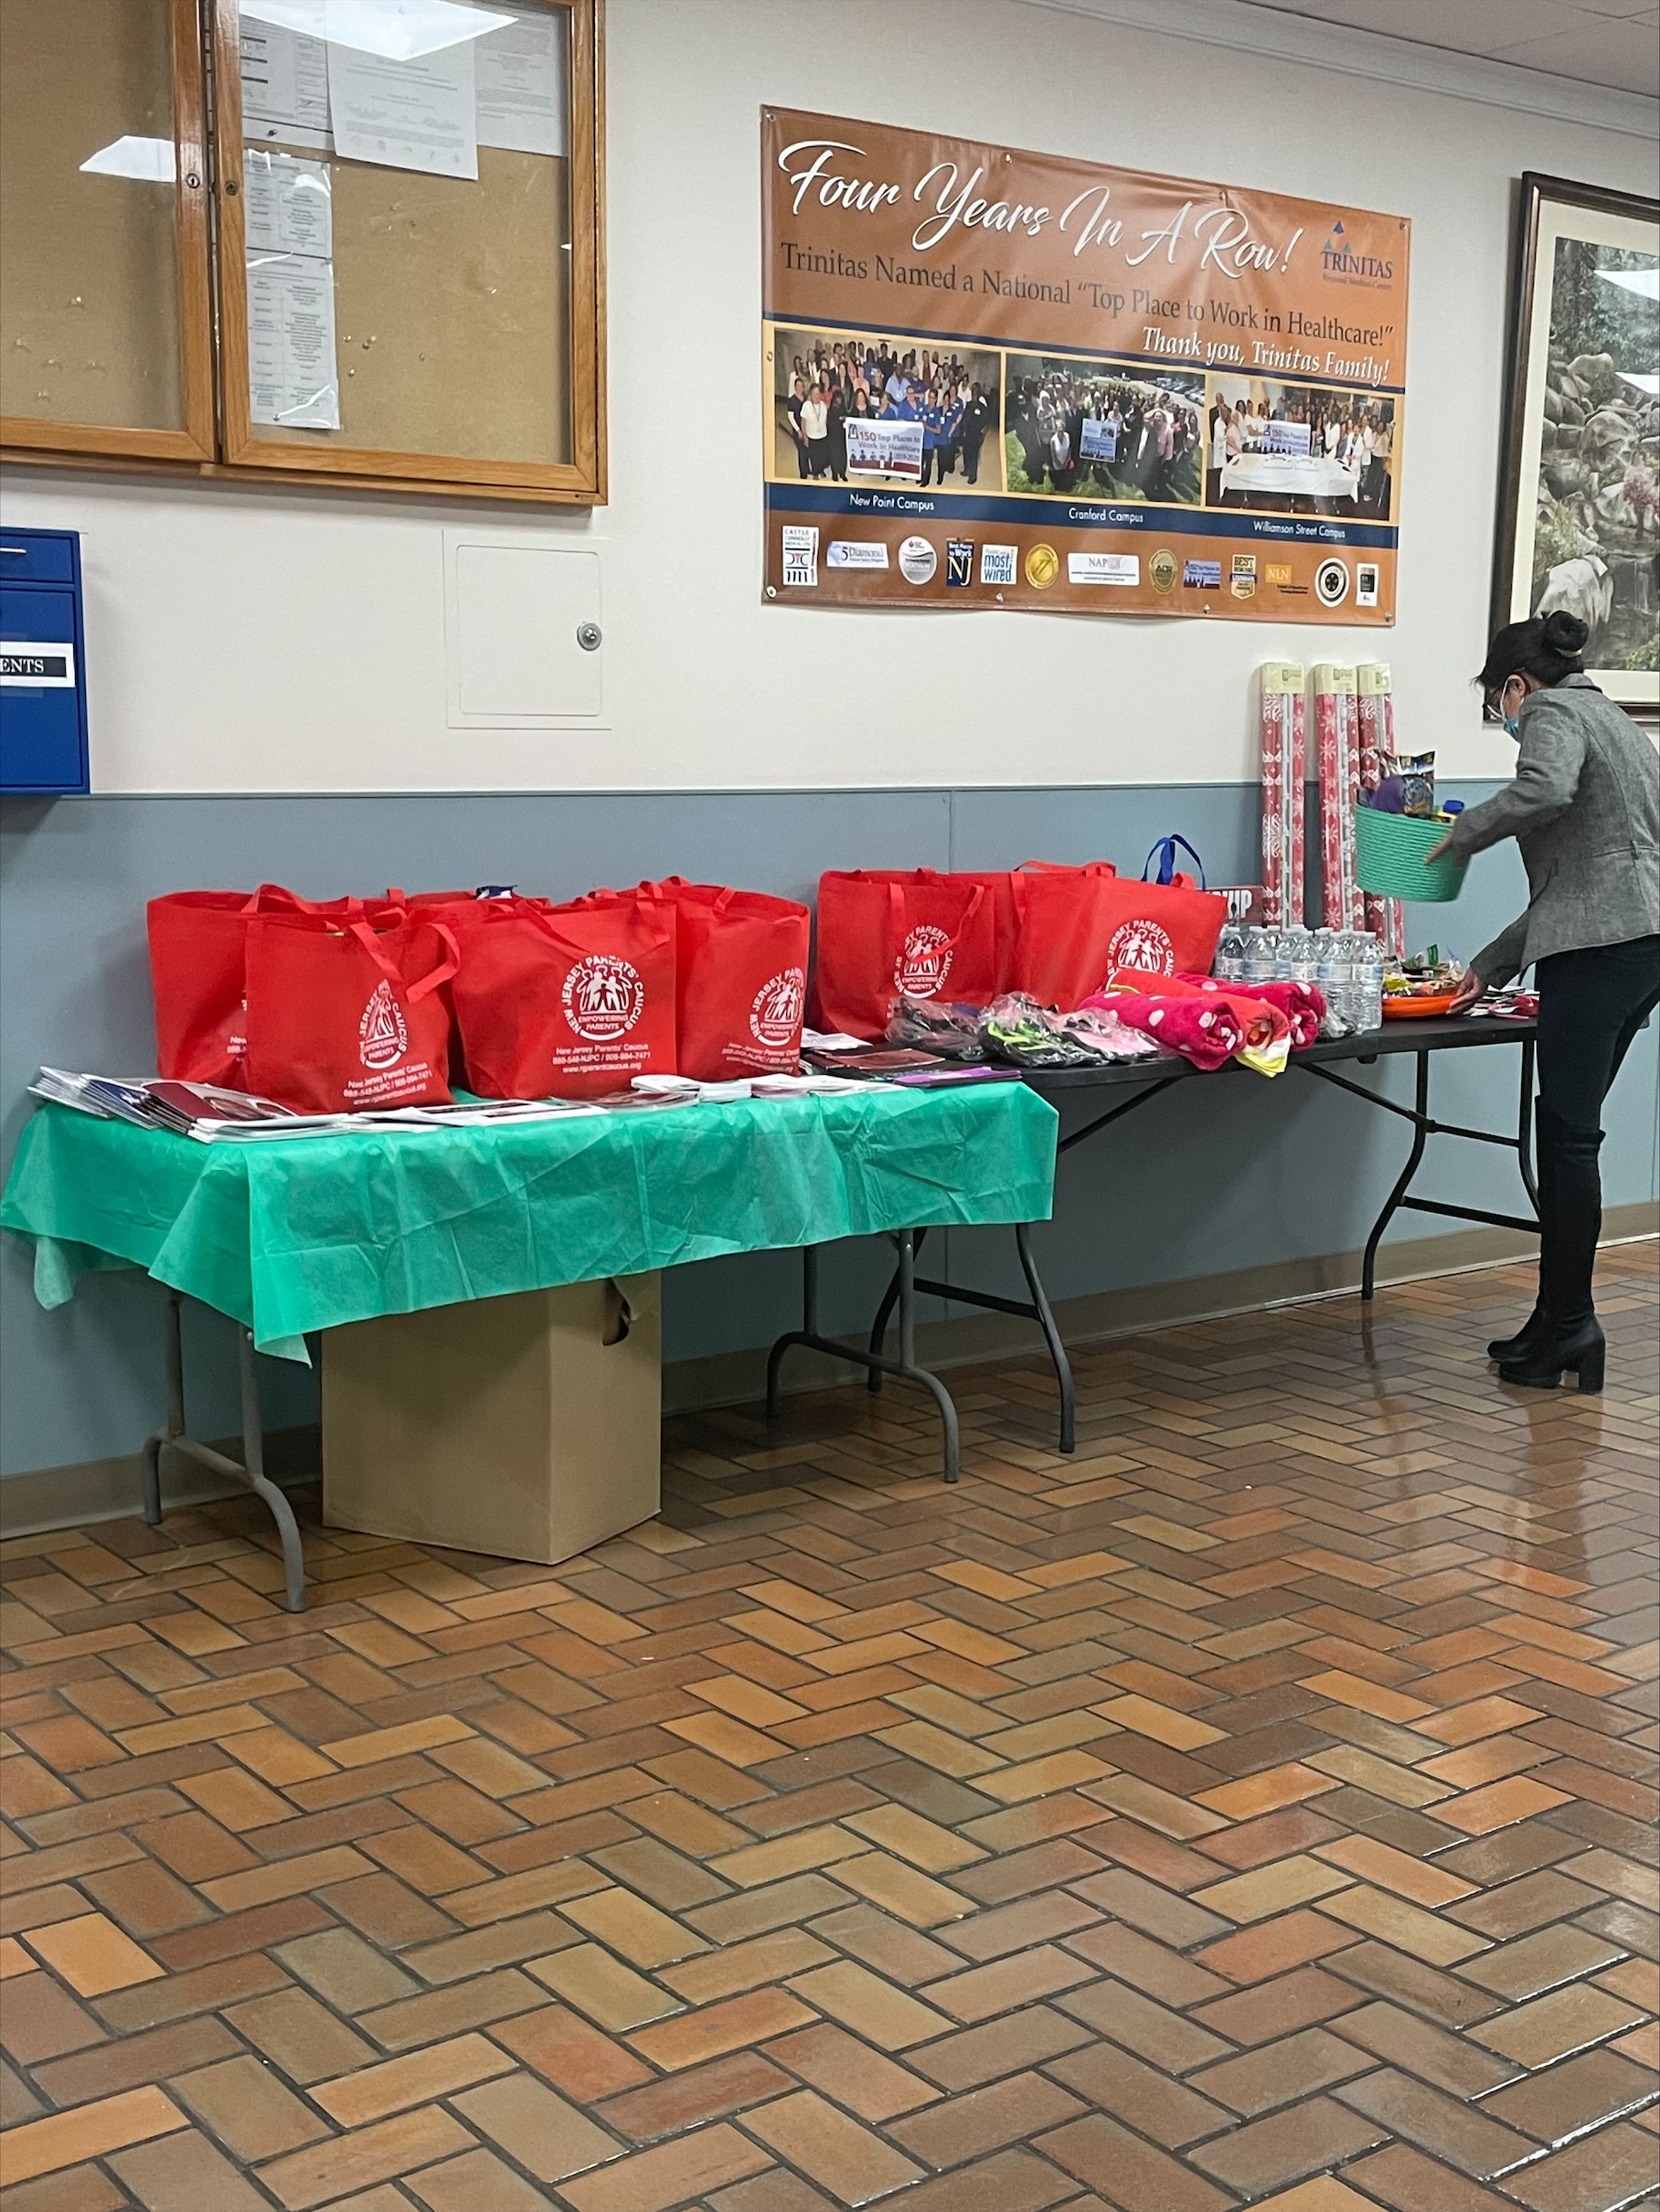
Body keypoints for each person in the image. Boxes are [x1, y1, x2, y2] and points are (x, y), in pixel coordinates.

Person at [1430, 611, 1660, 1392]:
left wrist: (1463, 833)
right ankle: (1555, 1320)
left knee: (1567, 1141)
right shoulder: (1620, 724)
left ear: (1517, 687)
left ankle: (1570, 1330)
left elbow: (1545, 786)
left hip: (1601, 956)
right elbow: (1588, 886)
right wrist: (1492, 965)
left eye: (1501, 702)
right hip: (1638, 945)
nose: (1505, 717)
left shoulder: (1555, 713)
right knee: (1566, 1131)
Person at [957, 381, 989, 484]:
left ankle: (973, 476)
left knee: (974, 455)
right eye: (973, 390)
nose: (975, 393)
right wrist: (963, 430)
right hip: (967, 433)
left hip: (976, 434)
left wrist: (982, 434)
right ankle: (967, 470)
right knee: (966, 453)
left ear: (979, 392)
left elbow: (985, 421)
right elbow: (965, 418)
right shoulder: (969, 404)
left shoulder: (982, 406)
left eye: (976, 390)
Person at [799, 384, 829, 477]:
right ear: (811, 394)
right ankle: (815, 473)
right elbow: (803, 422)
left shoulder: (823, 405)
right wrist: (805, 436)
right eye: (814, 393)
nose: (816, 396)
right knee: (814, 456)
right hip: (811, 436)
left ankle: (821, 470)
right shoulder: (806, 405)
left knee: (822, 455)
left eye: (818, 393)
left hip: (823, 435)